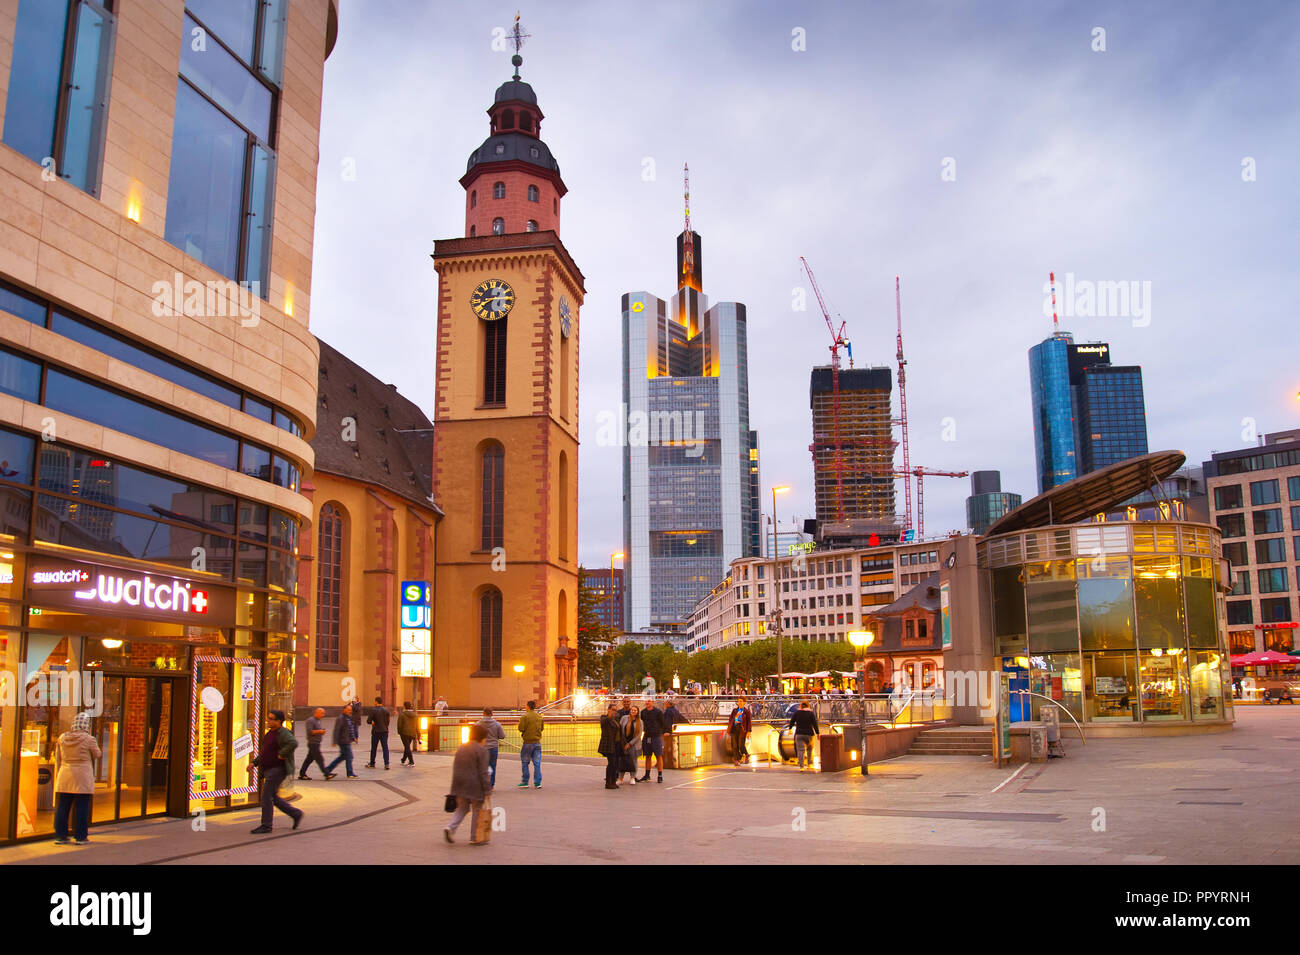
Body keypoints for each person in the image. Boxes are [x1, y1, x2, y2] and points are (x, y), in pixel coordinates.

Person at [250, 710, 303, 833]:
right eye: (268, 718)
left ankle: (266, 825)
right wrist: (254, 763)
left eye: (271, 718)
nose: (268, 720)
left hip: (277, 770)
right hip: (269, 769)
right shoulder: (270, 734)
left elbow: (293, 742)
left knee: (266, 797)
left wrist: (282, 753)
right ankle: (295, 814)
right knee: (273, 796)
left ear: (278, 721)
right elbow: (264, 752)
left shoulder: (283, 733)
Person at [53, 712, 101, 845]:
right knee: (82, 807)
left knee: (63, 806)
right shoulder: (89, 739)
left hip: (65, 774)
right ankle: (80, 837)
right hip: (82, 776)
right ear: (87, 725)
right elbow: (97, 754)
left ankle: (60, 836)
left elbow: (58, 757)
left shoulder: (62, 738)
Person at [444, 724, 491, 845]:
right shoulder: (482, 751)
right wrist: (487, 790)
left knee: (462, 808)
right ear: (482, 737)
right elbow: (483, 772)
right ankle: (475, 837)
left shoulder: (461, 747)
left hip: (459, 783)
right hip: (475, 785)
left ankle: (450, 827)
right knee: (477, 809)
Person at [324, 703, 359, 778]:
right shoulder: (341, 718)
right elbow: (336, 730)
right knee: (349, 756)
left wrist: (353, 738)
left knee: (342, 757)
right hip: (343, 741)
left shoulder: (348, 718)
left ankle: (328, 770)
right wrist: (334, 741)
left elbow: (350, 729)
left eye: (350, 710)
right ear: (344, 710)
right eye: (348, 710)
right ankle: (350, 773)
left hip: (347, 740)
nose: (350, 711)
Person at [476, 707, 506, 788]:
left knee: (481, 766)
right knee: (492, 766)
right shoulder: (497, 724)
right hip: (493, 747)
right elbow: (502, 736)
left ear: (483, 713)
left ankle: (482, 784)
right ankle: (490, 785)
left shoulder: (478, 724)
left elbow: (474, 736)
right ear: (492, 714)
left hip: (481, 748)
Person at [517, 699, 543, 788]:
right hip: (537, 743)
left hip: (527, 743)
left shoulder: (524, 717)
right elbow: (542, 728)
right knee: (537, 763)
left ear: (528, 706)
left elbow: (521, 728)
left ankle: (525, 782)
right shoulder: (539, 716)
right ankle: (537, 782)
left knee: (525, 762)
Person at [639, 698, 666, 783]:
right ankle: (647, 775)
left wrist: (662, 732)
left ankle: (660, 775)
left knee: (659, 755)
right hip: (647, 736)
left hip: (656, 736)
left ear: (653, 702)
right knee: (647, 755)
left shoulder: (658, 712)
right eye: (646, 701)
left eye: (649, 701)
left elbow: (663, 723)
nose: (647, 702)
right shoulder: (643, 712)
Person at [787, 701, 820, 771]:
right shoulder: (811, 713)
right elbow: (814, 724)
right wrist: (818, 733)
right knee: (809, 749)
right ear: (808, 706)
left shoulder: (797, 713)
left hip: (799, 734)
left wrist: (790, 729)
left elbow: (792, 721)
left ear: (801, 706)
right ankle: (810, 764)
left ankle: (801, 767)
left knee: (800, 750)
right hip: (809, 734)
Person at [598, 704, 624, 789]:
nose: (614, 711)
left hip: (616, 744)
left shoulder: (616, 719)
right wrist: (609, 715)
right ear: (608, 709)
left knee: (615, 764)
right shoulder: (604, 718)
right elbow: (604, 723)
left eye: (615, 710)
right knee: (611, 763)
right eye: (613, 709)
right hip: (609, 744)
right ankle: (608, 783)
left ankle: (613, 781)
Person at [299, 707, 328, 779]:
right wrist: (320, 731)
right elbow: (310, 731)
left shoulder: (318, 720)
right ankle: (326, 773)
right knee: (319, 759)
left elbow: (316, 730)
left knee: (309, 759)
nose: (323, 715)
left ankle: (302, 774)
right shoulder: (310, 720)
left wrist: (321, 731)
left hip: (316, 743)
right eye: (322, 713)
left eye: (323, 713)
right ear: (316, 713)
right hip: (313, 743)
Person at [365, 696, 391, 769]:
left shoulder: (373, 710)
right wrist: (386, 727)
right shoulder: (386, 710)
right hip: (384, 731)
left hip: (376, 731)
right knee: (385, 748)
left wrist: (373, 723)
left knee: (374, 748)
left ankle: (372, 763)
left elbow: (368, 721)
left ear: (376, 702)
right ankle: (386, 764)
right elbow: (388, 721)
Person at [619, 705, 643, 785]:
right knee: (622, 760)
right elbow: (620, 729)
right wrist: (624, 742)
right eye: (632, 710)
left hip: (634, 745)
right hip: (624, 743)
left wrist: (630, 743)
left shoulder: (640, 722)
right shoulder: (624, 718)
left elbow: (639, 735)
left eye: (635, 710)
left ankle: (633, 777)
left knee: (634, 761)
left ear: (637, 712)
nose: (633, 711)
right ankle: (620, 778)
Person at [728, 697, 752, 766]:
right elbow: (731, 719)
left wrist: (749, 731)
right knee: (734, 745)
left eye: (741, 701)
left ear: (744, 702)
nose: (739, 703)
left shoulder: (746, 712)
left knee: (741, 745)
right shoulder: (735, 710)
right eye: (738, 701)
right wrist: (729, 728)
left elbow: (749, 722)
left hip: (742, 729)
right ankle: (737, 760)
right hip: (734, 729)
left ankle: (746, 755)